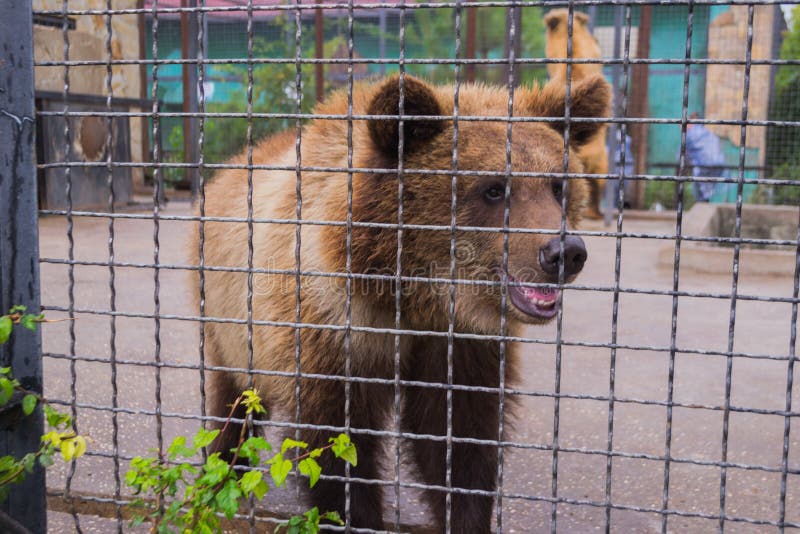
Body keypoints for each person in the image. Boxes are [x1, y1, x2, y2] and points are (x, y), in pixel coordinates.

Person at [681, 112, 729, 202]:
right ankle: (705, 202)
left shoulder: (690, 134)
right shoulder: (706, 132)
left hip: (704, 165)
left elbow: (682, 155)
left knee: (700, 189)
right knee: (706, 188)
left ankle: (702, 204)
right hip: (719, 164)